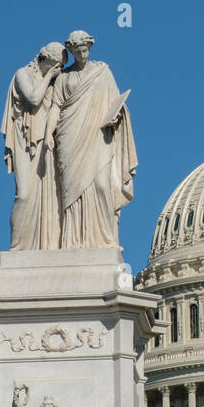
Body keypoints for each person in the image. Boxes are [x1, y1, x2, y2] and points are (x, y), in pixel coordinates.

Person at [47, 30, 136, 248]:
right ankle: (73, 240)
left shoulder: (103, 72)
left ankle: (105, 239)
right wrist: (49, 136)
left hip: (98, 135)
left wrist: (117, 117)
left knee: (102, 185)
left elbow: (116, 102)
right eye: (78, 51)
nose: (83, 54)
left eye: (85, 49)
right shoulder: (64, 78)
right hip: (69, 135)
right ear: (72, 51)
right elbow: (55, 108)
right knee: (71, 192)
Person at [1, 42, 66, 249]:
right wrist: (50, 77)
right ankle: (18, 246)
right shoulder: (23, 74)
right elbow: (33, 98)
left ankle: (46, 244)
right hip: (25, 139)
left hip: (45, 141)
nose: (59, 71)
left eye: (61, 67)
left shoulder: (55, 81)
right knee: (25, 194)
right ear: (44, 58)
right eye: (56, 65)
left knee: (50, 195)